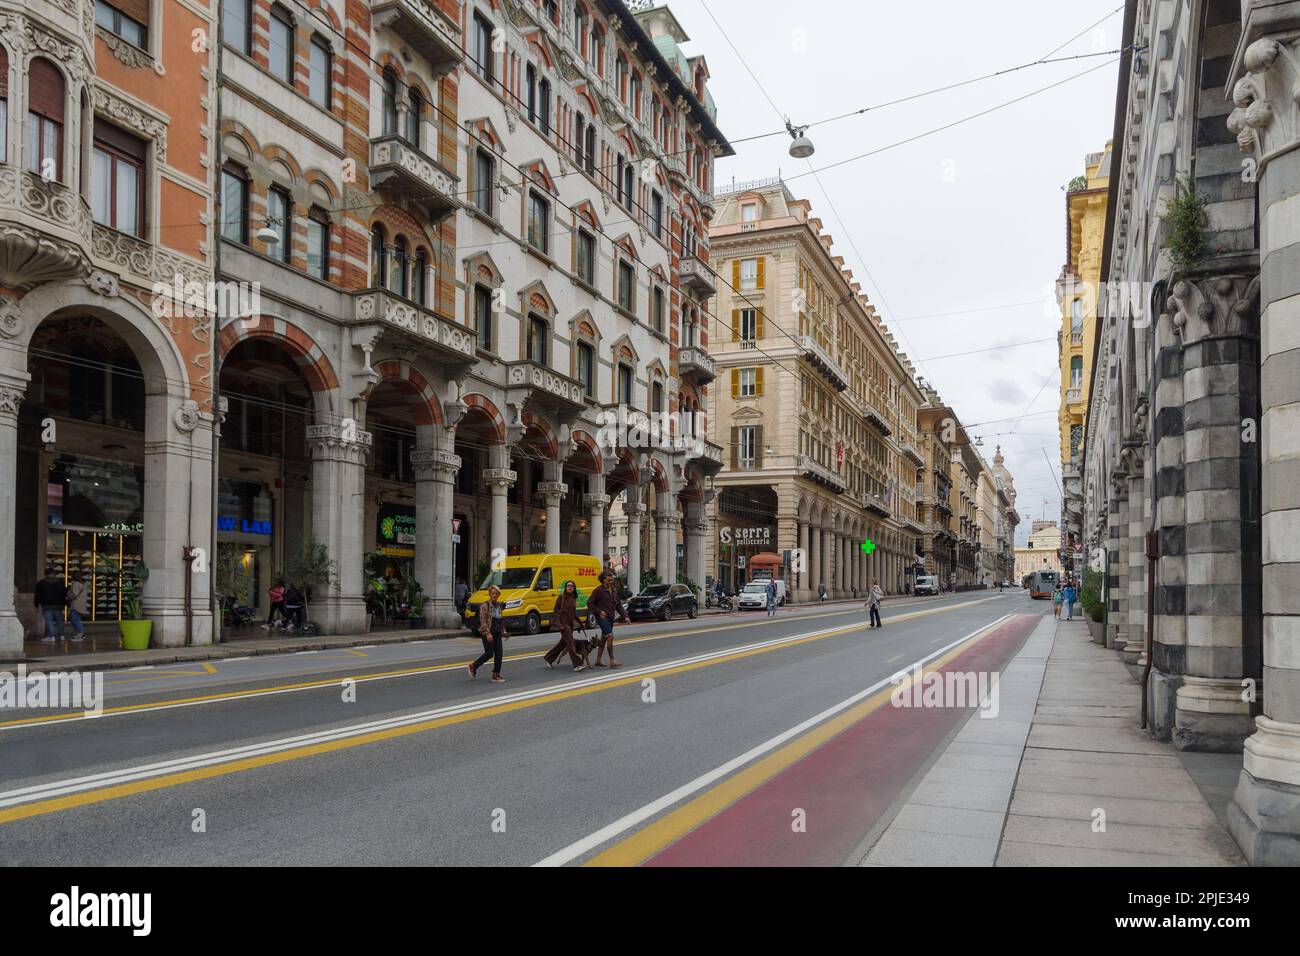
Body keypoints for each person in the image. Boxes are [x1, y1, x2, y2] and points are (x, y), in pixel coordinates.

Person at [543, 580, 587, 672]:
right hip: (563, 624)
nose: (570, 587)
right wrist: (559, 624)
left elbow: (573, 614)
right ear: (565, 588)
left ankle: (549, 658)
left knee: (563, 643)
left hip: (570, 625)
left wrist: (580, 622)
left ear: (574, 588)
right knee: (571, 643)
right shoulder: (561, 598)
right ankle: (577, 665)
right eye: (568, 586)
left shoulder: (573, 598)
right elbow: (555, 611)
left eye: (572, 586)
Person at [588, 571, 628, 668]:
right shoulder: (598, 590)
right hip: (602, 618)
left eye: (611, 577)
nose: (611, 578)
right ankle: (612, 660)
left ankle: (598, 660)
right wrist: (599, 612)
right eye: (608, 577)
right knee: (610, 636)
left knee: (604, 638)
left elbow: (618, 606)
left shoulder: (614, 591)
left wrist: (625, 616)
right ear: (603, 579)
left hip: (610, 618)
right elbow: (590, 603)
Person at [469, 585, 507, 683]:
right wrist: (487, 633)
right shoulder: (485, 605)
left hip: (497, 632)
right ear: (489, 594)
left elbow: (500, 619)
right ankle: (474, 666)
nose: (494, 595)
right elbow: (483, 620)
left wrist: (504, 632)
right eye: (492, 593)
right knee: (489, 653)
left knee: (499, 653)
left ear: (499, 595)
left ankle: (495, 674)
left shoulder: (499, 605)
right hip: (488, 632)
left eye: (496, 593)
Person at [34, 568, 66, 643]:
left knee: (49, 621)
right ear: (54, 573)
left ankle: (50, 636)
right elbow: (64, 594)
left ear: (45, 574)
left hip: (46, 605)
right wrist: (65, 604)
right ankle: (62, 636)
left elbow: (37, 595)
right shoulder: (60, 583)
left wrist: (36, 605)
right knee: (59, 621)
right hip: (58, 605)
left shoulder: (40, 583)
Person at [64, 571, 87, 642]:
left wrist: (67, 598)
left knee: (74, 619)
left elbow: (74, 594)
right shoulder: (82, 584)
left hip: (76, 605)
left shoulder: (76, 584)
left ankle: (80, 634)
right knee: (77, 619)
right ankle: (80, 634)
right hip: (81, 604)